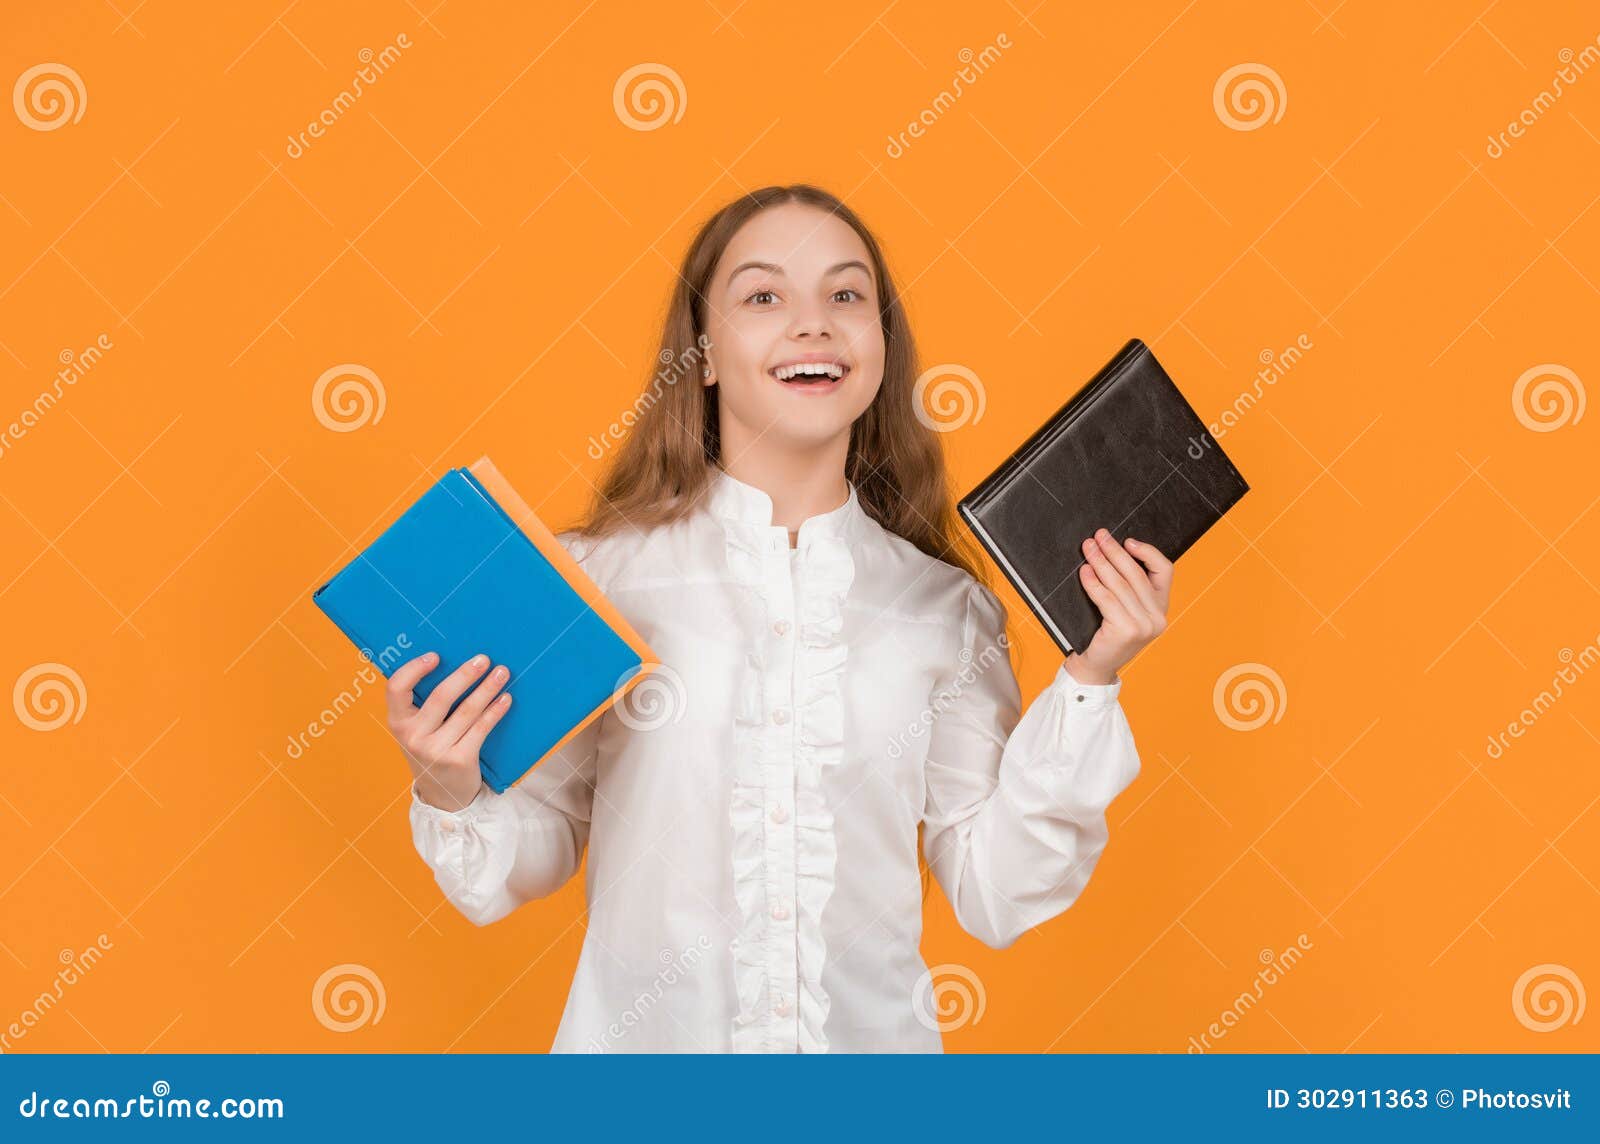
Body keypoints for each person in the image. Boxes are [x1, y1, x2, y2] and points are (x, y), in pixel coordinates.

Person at [385, 184, 1172, 1052]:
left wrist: (1091, 680)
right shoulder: (591, 578)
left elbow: (995, 892)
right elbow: (527, 860)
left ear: (879, 349)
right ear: (705, 355)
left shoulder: (947, 612)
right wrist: (451, 787)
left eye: (846, 295)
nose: (814, 324)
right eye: (764, 297)